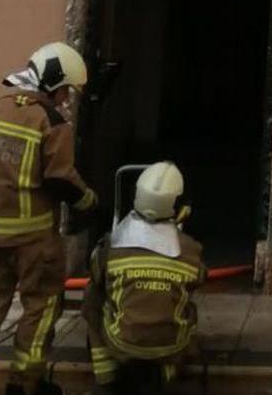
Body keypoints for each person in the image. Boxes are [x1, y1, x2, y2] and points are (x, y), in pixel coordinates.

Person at [0, 42, 100, 395]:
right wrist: (90, 202)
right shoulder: (51, 122)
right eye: (66, 91)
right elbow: (59, 178)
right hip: (35, 239)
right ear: (53, 83)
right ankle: (24, 384)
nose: (66, 100)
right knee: (41, 306)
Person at [82, 161, 205, 394]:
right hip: (173, 345)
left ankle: (106, 374)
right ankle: (171, 368)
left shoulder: (111, 245)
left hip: (122, 344)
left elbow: (95, 275)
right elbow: (199, 279)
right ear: (178, 206)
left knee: (92, 298)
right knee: (188, 306)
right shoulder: (191, 250)